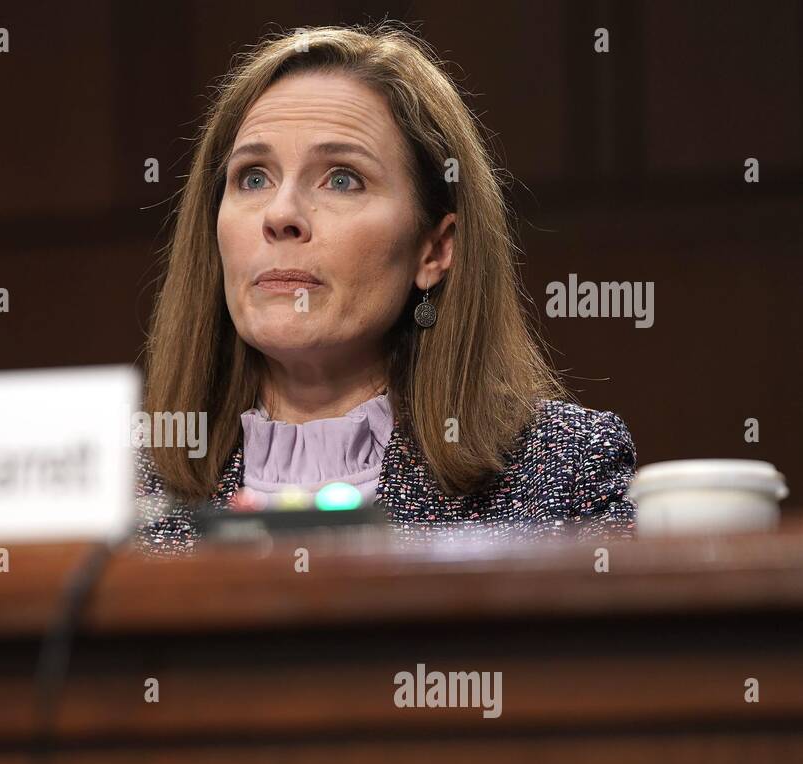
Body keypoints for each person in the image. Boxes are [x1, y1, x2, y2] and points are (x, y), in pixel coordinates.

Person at [135, 24, 637, 556]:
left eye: (342, 179)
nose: (280, 215)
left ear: (435, 250)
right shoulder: (121, 494)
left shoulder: (561, 471)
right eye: (254, 177)